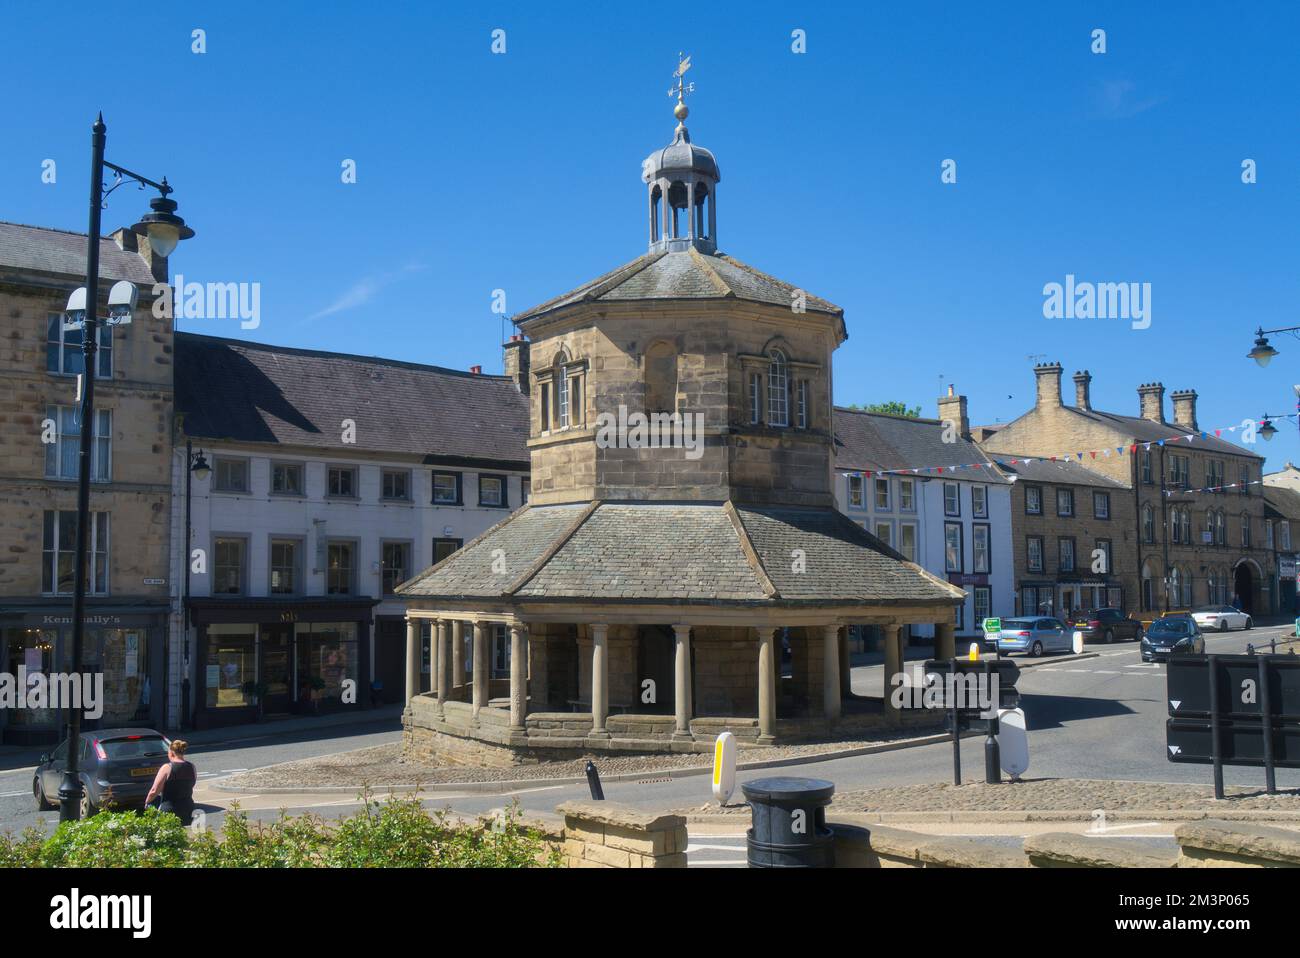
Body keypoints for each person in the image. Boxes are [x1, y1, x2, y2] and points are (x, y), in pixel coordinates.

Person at [145, 739, 197, 825]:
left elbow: (154, 790)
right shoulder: (192, 767)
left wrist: (147, 802)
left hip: (169, 809)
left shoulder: (167, 767)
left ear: (171, 753)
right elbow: (192, 784)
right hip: (187, 807)